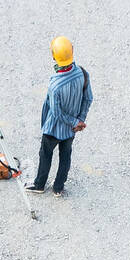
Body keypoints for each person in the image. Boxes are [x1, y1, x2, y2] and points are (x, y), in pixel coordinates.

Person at [26, 37, 93, 197]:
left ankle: (40, 184)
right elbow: (88, 98)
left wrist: (75, 121)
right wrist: (79, 120)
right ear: (72, 52)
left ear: (54, 57)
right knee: (66, 156)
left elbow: (56, 113)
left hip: (53, 129)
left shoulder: (54, 86)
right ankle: (58, 187)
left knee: (45, 155)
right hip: (71, 130)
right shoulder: (83, 74)